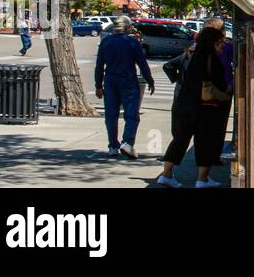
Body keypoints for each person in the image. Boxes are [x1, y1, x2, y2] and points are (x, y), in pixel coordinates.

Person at [156, 25, 230, 188]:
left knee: (179, 140)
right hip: (204, 107)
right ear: (212, 42)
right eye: (220, 41)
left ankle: (166, 175)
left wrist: (180, 80)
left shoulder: (188, 55)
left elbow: (168, 66)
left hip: (183, 104)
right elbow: (220, 83)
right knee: (205, 141)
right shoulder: (212, 59)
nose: (222, 45)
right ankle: (202, 179)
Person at [94, 15, 155, 158]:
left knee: (111, 115)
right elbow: (142, 64)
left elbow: (99, 65)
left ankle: (112, 146)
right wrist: (150, 80)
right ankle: (127, 142)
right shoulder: (132, 42)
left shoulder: (106, 42)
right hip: (128, 81)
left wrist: (98, 84)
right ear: (127, 27)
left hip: (110, 81)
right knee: (132, 114)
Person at [204, 15, 236, 161]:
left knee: (207, 126)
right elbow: (237, 65)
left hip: (208, 91)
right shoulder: (227, 46)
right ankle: (214, 155)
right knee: (219, 125)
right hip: (223, 90)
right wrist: (230, 85)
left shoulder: (198, 46)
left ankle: (209, 155)